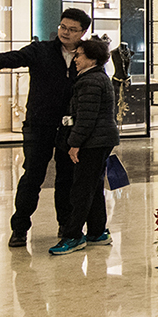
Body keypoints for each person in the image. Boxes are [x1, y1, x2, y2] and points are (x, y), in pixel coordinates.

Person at [0, 7, 87, 248]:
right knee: (32, 176)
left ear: (83, 32)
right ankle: (20, 228)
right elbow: (12, 59)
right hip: (38, 124)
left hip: (70, 128)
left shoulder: (87, 55)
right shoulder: (41, 50)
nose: (65, 33)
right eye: (63, 27)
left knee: (66, 178)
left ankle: (66, 225)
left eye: (72, 29)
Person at [51, 37, 120, 255]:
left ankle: (73, 236)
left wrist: (74, 144)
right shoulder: (97, 78)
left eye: (79, 55)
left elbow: (86, 119)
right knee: (93, 185)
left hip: (93, 142)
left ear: (92, 59)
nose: (75, 59)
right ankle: (97, 231)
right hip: (100, 140)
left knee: (81, 188)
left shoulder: (90, 82)